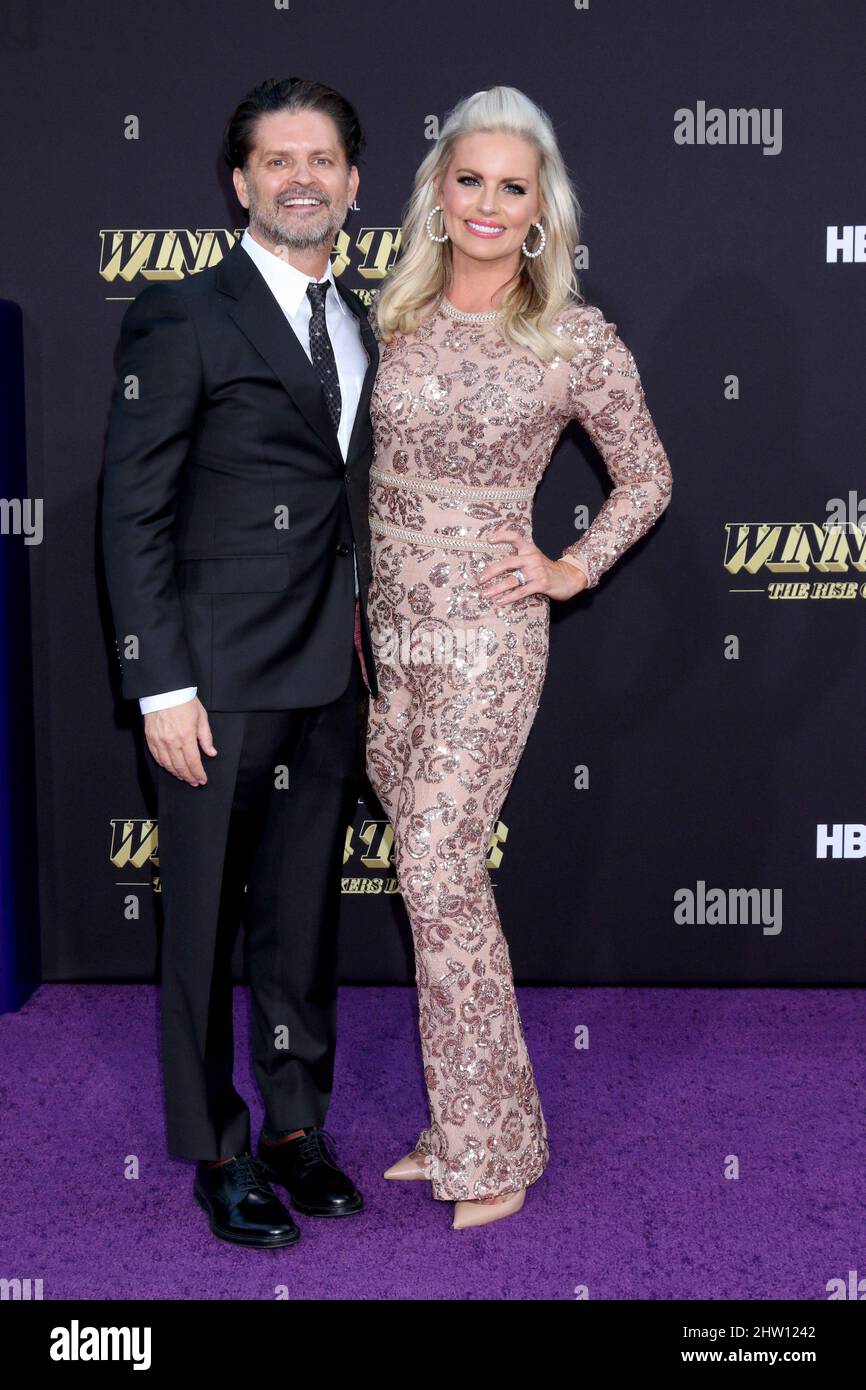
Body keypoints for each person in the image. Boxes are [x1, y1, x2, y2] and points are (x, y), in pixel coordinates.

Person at [364, 85, 673, 1230]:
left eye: (512, 185)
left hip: (489, 637)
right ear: (437, 194)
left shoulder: (569, 337)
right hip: (385, 640)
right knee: (432, 883)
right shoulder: (390, 315)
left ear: (540, 208)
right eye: (469, 179)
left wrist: (569, 567)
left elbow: (646, 477)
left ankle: (497, 1145)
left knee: (437, 872)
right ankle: (458, 1121)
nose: (488, 203)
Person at [100, 78, 380, 1247]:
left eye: (321, 159)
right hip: (210, 684)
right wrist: (159, 682)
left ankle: (293, 1127)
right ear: (241, 183)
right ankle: (215, 1146)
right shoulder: (184, 311)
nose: (301, 177)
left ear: (354, 184)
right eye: (277, 160)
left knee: (300, 922)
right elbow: (133, 509)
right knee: (201, 923)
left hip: (330, 677)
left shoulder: (363, 312)